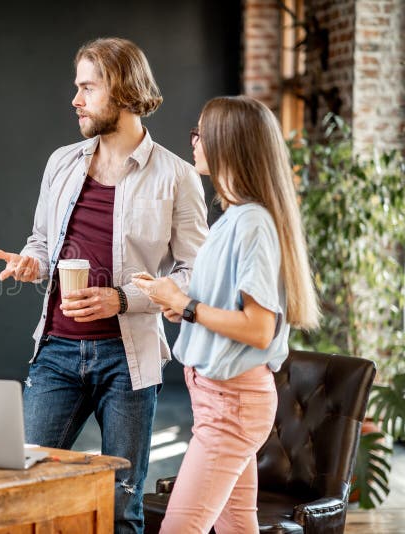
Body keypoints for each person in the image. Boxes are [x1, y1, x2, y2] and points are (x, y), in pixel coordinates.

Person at [0, 37, 208, 533]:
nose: (76, 100)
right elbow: (42, 242)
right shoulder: (62, 163)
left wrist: (122, 299)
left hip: (128, 360)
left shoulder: (177, 177)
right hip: (56, 351)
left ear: (124, 91)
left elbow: (195, 274)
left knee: (120, 508)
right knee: (20, 487)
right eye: (78, 87)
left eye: (88, 88)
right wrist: (31, 262)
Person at [134, 95, 320, 533]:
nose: (194, 142)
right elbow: (226, 311)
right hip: (220, 400)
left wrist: (187, 305)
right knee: (237, 527)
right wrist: (179, 306)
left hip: (231, 404)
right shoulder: (236, 218)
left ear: (228, 144)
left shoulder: (252, 223)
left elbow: (259, 328)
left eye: (201, 133)